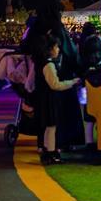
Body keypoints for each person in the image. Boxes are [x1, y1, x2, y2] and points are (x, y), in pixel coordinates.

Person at [33, 33, 81, 164]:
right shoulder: (49, 66)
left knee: (49, 127)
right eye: (56, 47)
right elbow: (55, 85)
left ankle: (49, 151)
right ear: (50, 49)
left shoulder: (41, 64)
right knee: (52, 127)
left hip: (45, 99)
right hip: (50, 100)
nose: (58, 50)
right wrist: (71, 82)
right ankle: (51, 153)